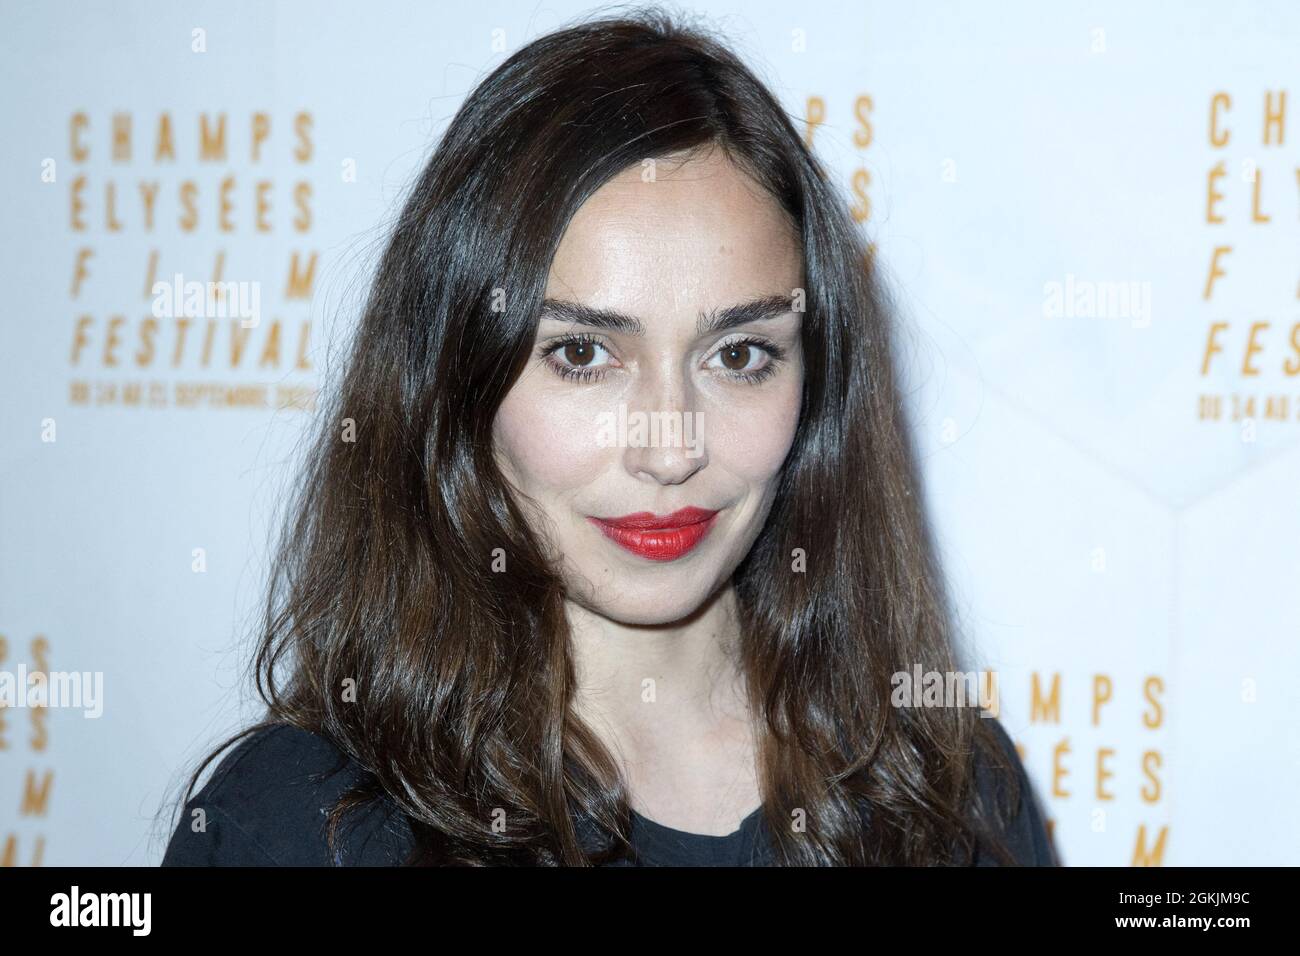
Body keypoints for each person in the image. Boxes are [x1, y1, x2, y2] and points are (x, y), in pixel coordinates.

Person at [161, 8, 1057, 867]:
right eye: (584, 354)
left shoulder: (955, 795)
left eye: (739, 354)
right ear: (455, 379)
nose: (671, 450)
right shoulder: (292, 826)